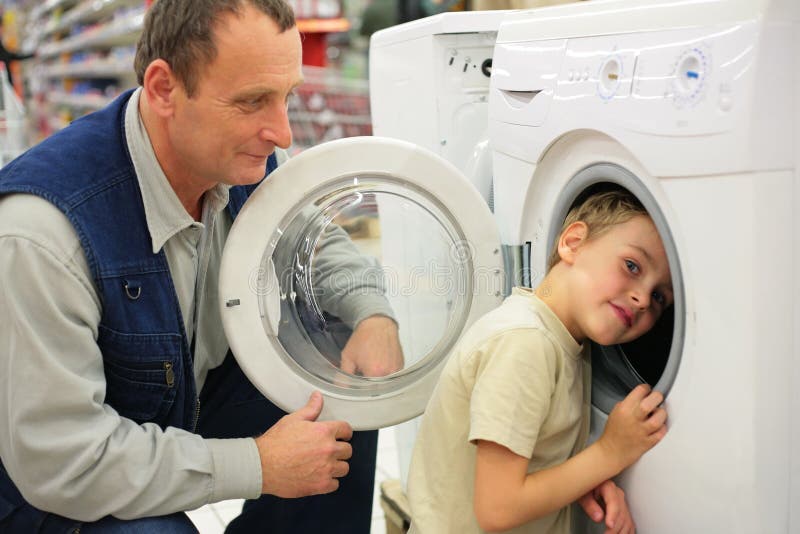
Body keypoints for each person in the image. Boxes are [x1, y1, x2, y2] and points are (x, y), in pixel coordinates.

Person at [0, 0, 402, 532]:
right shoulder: (43, 233)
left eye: (287, 97)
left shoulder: (239, 159)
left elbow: (315, 245)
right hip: (53, 487)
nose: (282, 133)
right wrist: (259, 465)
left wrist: (374, 315)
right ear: (165, 88)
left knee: (342, 394)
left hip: (180, 396)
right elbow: (65, 461)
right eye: (253, 101)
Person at [407, 189, 673, 534]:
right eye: (632, 266)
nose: (641, 299)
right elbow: (498, 509)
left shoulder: (563, 342)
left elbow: (527, 459)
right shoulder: (525, 344)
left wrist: (585, 479)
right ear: (572, 243)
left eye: (659, 297)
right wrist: (610, 452)